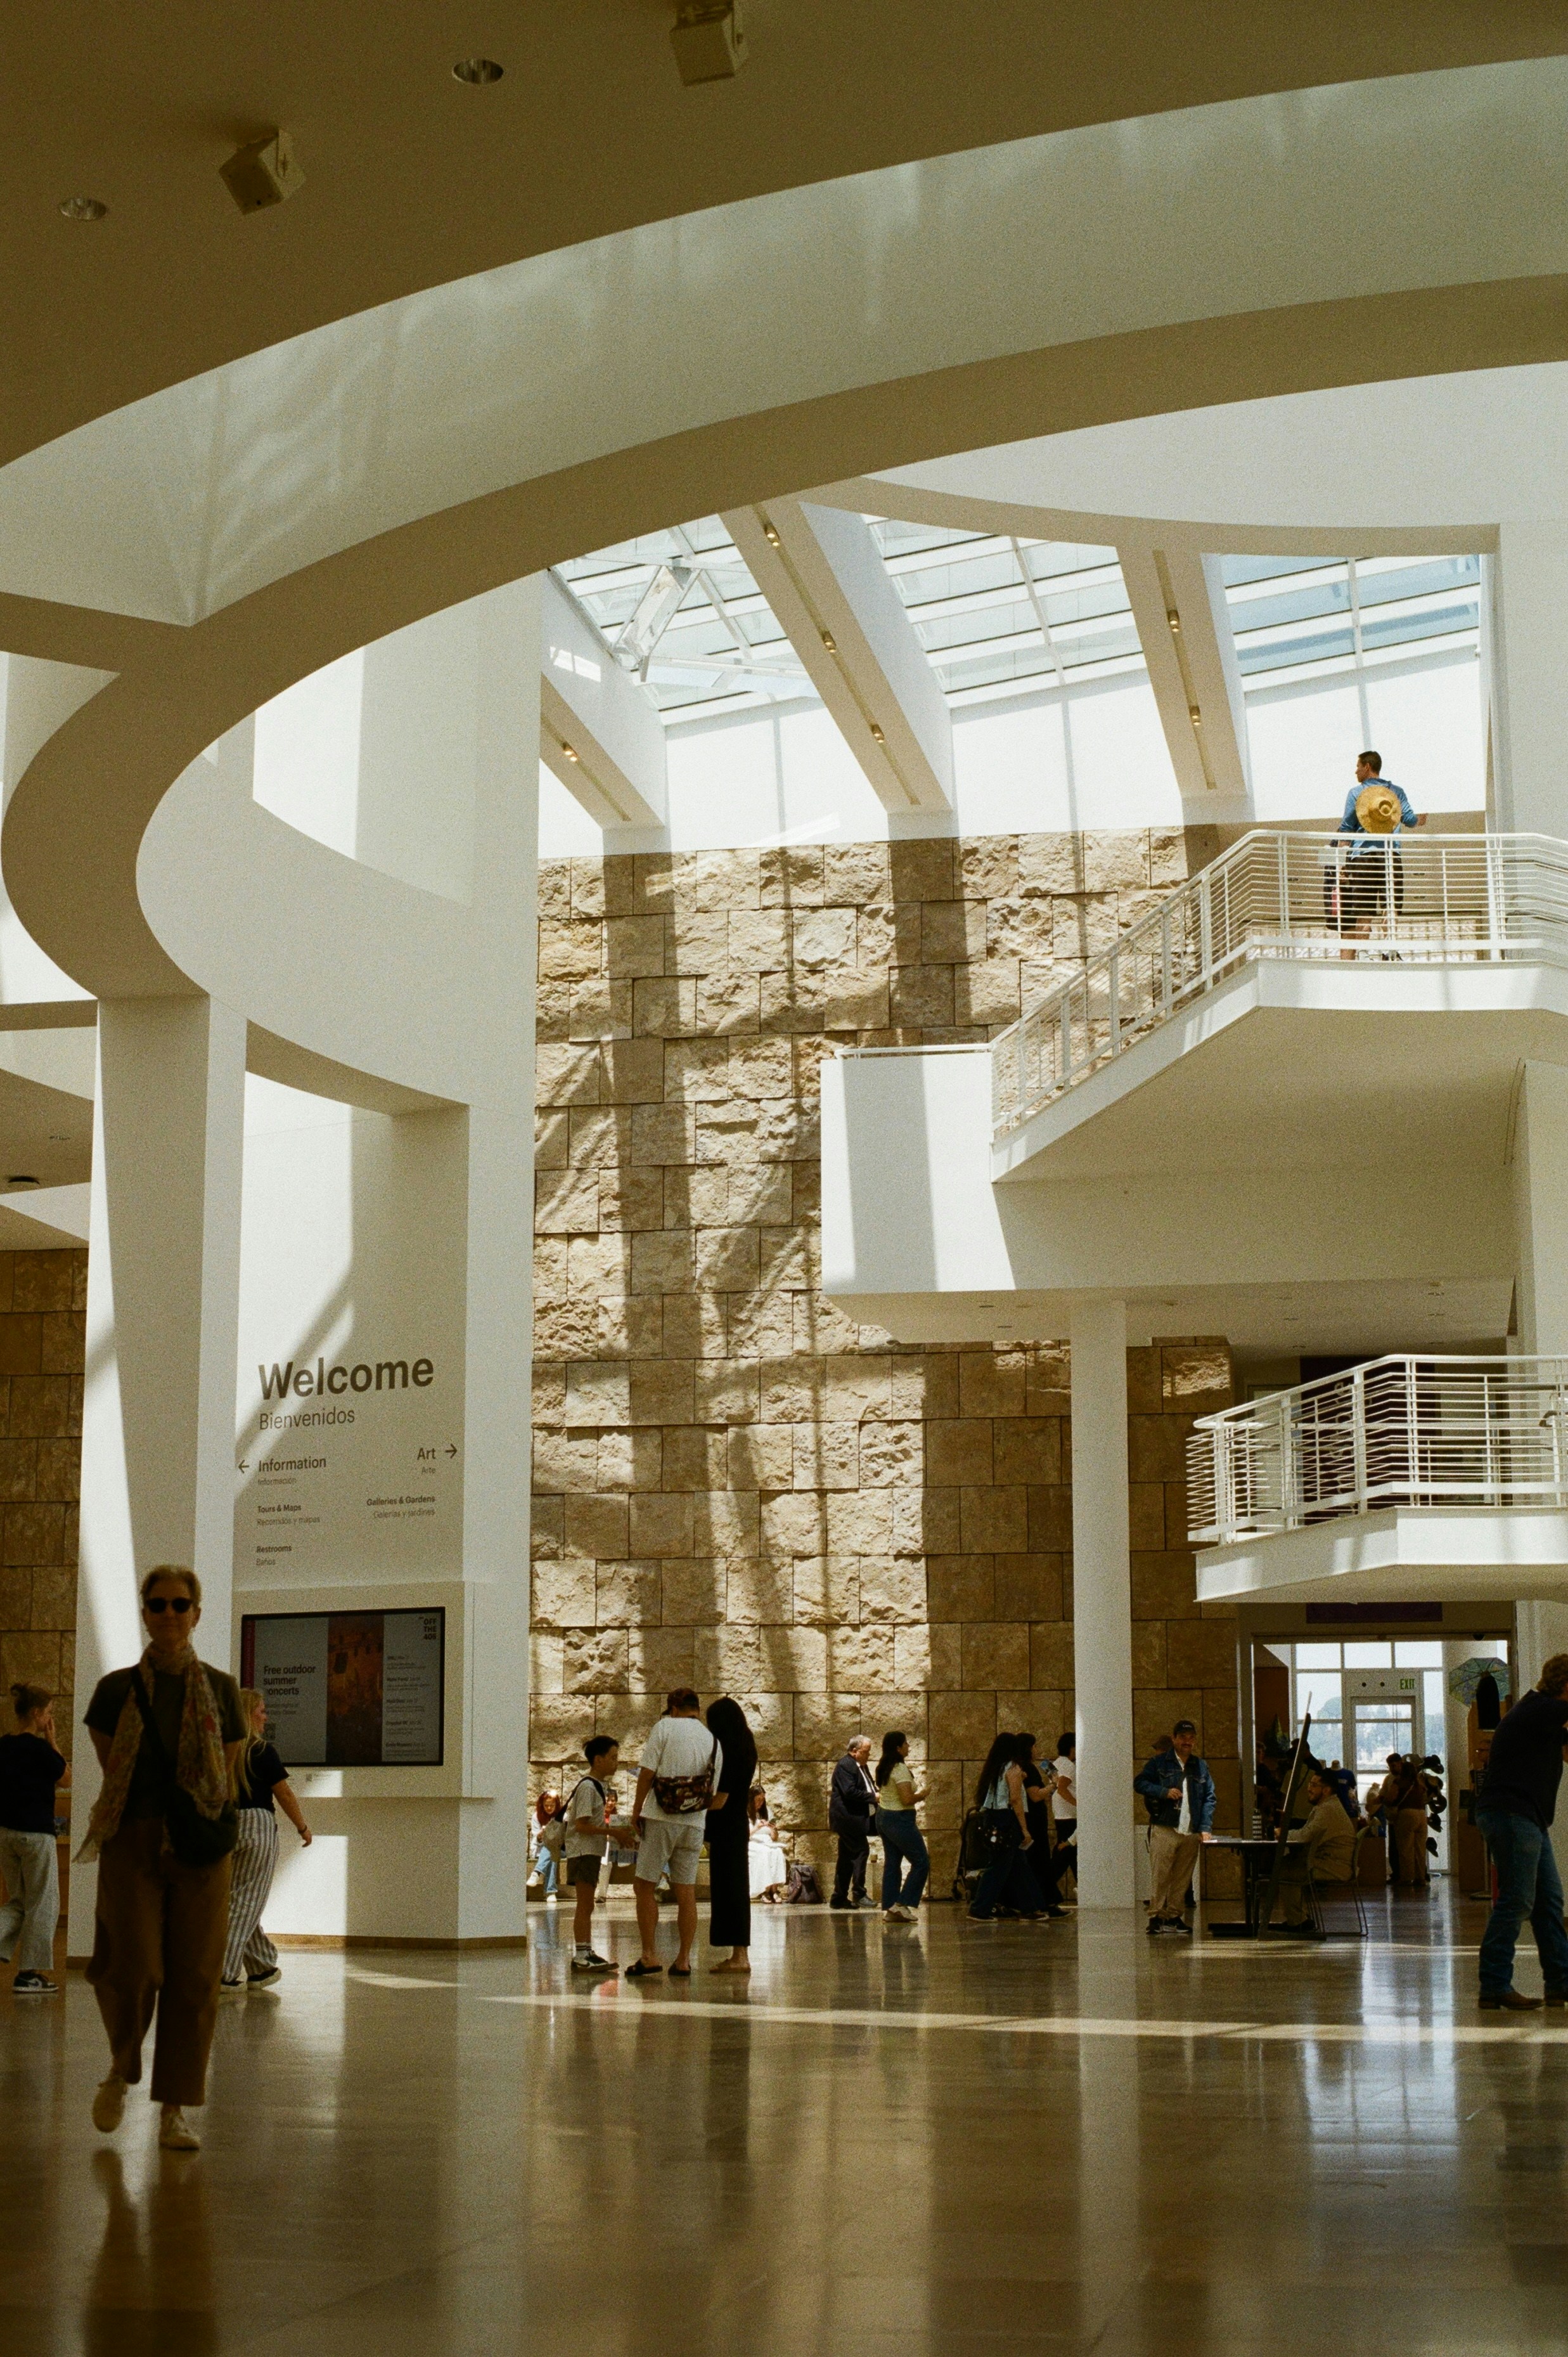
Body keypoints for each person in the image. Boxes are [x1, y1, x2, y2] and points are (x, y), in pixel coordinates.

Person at [78, 1565, 247, 2152]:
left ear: (197, 1614)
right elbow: (113, 1770)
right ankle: (121, 2069)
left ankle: (175, 2107)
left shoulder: (224, 1691)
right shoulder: (113, 1691)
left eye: (181, 1605)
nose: (170, 1614)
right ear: (145, 1612)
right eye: (159, 1604)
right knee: (132, 1966)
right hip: (133, 1839)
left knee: (196, 1978)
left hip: (200, 1846)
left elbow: (222, 1774)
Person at [1475, 1653, 1568, 2012]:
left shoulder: (1542, 1717)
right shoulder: (1541, 1708)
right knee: (1518, 1900)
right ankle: (1495, 1984)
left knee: (1548, 1901)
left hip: (1526, 1816)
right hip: (1511, 1814)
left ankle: (1559, 1983)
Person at [219, 1688, 311, 1999]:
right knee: (246, 1902)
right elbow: (284, 1793)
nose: (265, 1716)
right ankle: (223, 1973)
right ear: (248, 1715)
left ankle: (262, 1967)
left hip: (226, 1826)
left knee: (238, 1899)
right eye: (261, 1710)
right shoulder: (262, 1751)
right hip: (258, 1827)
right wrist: (302, 1826)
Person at [625, 1688, 722, 1980]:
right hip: (695, 1822)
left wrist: (636, 1812)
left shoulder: (664, 1727)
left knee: (644, 1885)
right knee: (686, 1892)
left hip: (661, 1816)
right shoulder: (714, 1741)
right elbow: (712, 1791)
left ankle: (649, 1955)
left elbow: (646, 1773)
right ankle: (683, 1960)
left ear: (674, 1708)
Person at [0, 1681, 67, 1993]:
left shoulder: (2, 1746)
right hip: (36, 1835)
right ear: (38, 1714)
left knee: (19, 1902)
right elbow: (65, 1777)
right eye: (49, 1713)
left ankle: (26, 1971)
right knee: (44, 1903)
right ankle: (29, 1974)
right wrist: (53, 1741)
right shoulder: (40, 1750)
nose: (49, 1719)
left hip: (6, 1833)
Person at [1334, 750, 1422, 954]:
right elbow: (1410, 820)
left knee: (1363, 914)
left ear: (1367, 767)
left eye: (1358, 767)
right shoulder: (1396, 792)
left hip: (1363, 859)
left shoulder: (1356, 793)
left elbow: (1346, 829)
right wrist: (1422, 818)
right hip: (1391, 856)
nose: (1355, 771)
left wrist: (1342, 864)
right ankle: (1390, 954)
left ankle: (1364, 958)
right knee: (1390, 911)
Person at [1134, 1720, 1216, 1935]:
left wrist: (1205, 1827)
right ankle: (1156, 1916)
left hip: (1191, 1829)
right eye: (1182, 1737)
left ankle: (1174, 1916)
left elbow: (1209, 1797)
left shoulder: (1201, 1766)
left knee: (1182, 1877)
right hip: (1165, 1826)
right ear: (1174, 1739)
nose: (1187, 1742)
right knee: (1160, 1874)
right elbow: (1140, 1783)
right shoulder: (1159, 1763)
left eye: (1191, 1738)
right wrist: (1163, 1791)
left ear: (1195, 1740)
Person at [967, 1734, 1046, 1923]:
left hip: (993, 1818)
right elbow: (1015, 1800)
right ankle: (979, 1909)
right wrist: (1025, 1829)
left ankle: (1029, 1908)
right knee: (998, 1867)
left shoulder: (995, 1768)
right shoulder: (1013, 1767)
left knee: (1020, 1866)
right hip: (1007, 1819)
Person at [563, 1734, 626, 1973]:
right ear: (598, 1760)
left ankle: (587, 1950)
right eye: (612, 1757)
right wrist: (613, 1833)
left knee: (587, 1905)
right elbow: (581, 1825)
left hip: (590, 1852)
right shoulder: (589, 1787)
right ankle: (581, 1954)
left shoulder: (598, 1786)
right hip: (583, 1852)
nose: (616, 1762)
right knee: (585, 1904)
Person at [705, 1696, 757, 1974]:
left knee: (731, 1889)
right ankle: (739, 1954)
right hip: (736, 1823)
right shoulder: (746, 1745)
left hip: (726, 1825)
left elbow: (721, 1797)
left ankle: (740, 1957)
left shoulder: (729, 1751)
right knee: (735, 1887)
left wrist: (691, 1804)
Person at [1276, 1769, 1357, 1928]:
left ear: (1326, 1790)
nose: (1309, 1788)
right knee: (1289, 1865)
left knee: (1286, 1870)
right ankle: (1299, 1919)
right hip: (1331, 1862)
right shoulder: (1328, 1806)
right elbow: (1307, 1834)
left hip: (1334, 1867)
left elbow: (1305, 1837)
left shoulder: (1327, 1809)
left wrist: (1281, 1833)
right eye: (1309, 1784)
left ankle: (1298, 1922)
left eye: (1314, 1785)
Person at [873, 1730, 929, 1920]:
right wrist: (922, 1794)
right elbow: (906, 1799)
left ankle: (891, 1908)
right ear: (898, 1748)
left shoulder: (885, 1768)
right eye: (906, 1744)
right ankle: (902, 1903)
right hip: (900, 1820)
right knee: (922, 1861)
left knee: (893, 1863)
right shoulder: (900, 1769)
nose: (908, 1747)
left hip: (884, 1818)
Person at [1018, 1734, 1067, 1916]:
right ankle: (1046, 1902)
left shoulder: (1022, 1767)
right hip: (1034, 1825)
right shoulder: (1028, 1768)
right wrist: (1054, 1785)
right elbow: (1036, 1795)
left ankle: (1044, 1901)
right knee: (1040, 1862)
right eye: (1035, 1746)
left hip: (1033, 1822)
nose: (1037, 1749)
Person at [828, 1735, 877, 1908]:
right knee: (861, 1851)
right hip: (848, 1820)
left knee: (846, 1858)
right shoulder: (846, 1765)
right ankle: (859, 1893)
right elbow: (849, 1791)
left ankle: (838, 1897)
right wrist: (874, 1797)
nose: (869, 1755)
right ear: (855, 1751)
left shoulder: (860, 1766)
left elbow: (868, 1786)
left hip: (854, 1819)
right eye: (866, 1751)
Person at [747, 1790, 788, 1901]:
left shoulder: (767, 1812)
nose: (761, 1803)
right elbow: (744, 1836)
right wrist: (757, 1828)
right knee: (764, 1853)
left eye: (762, 1800)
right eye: (758, 1800)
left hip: (767, 1842)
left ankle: (774, 1890)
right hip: (753, 1843)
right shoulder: (746, 1813)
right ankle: (764, 1890)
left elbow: (774, 1837)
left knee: (777, 1852)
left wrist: (773, 1829)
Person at [1051, 1732, 1077, 1882]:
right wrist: (1078, 1804)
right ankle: (1046, 1886)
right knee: (1066, 1850)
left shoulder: (1057, 1763)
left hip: (1061, 1813)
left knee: (1071, 1852)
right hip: (1069, 1814)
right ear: (1072, 1748)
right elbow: (1062, 1788)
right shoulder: (1068, 1766)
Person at [532, 1790, 563, 1900]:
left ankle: (537, 1872)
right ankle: (551, 1892)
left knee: (553, 1847)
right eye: (546, 1806)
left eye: (552, 1805)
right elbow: (536, 1838)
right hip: (544, 1849)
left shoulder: (563, 1816)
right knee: (552, 1853)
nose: (549, 1808)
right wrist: (541, 1835)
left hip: (562, 1849)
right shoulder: (537, 1817)